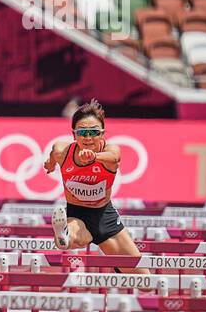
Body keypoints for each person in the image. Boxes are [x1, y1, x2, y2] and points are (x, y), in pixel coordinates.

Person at [43, 99, 145, 270]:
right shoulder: (62, 151)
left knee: (145, 282)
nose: (88, 138)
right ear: (74, 135)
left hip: (105, 217)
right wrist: (50, 163)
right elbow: (54, 153)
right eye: (83, 132)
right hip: (77, 214)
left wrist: (94, 157)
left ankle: (117, 269)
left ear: (102, 134)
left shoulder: (111, 151)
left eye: (94, 132)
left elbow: (115, 157)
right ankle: (64, 235)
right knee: (72, 237)